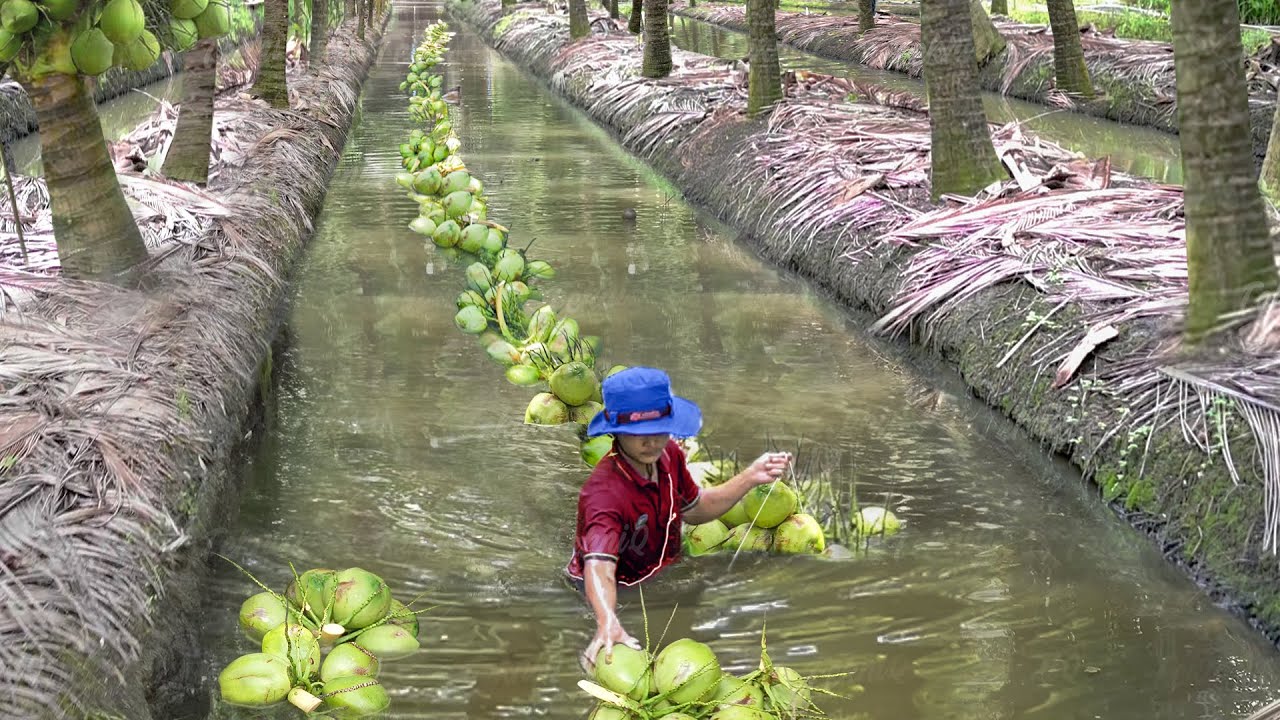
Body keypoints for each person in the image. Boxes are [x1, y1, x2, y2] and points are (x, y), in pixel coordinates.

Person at [563, 366, 793, 672]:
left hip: (663, 573)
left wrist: (751, 477)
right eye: (639, 435)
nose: (652, 442)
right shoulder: (604, 493)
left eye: (660, 430)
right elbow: (599, 567)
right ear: (615, 432)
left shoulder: (669, 455)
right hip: (612, 591)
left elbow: (696, 509)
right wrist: (607, 619)